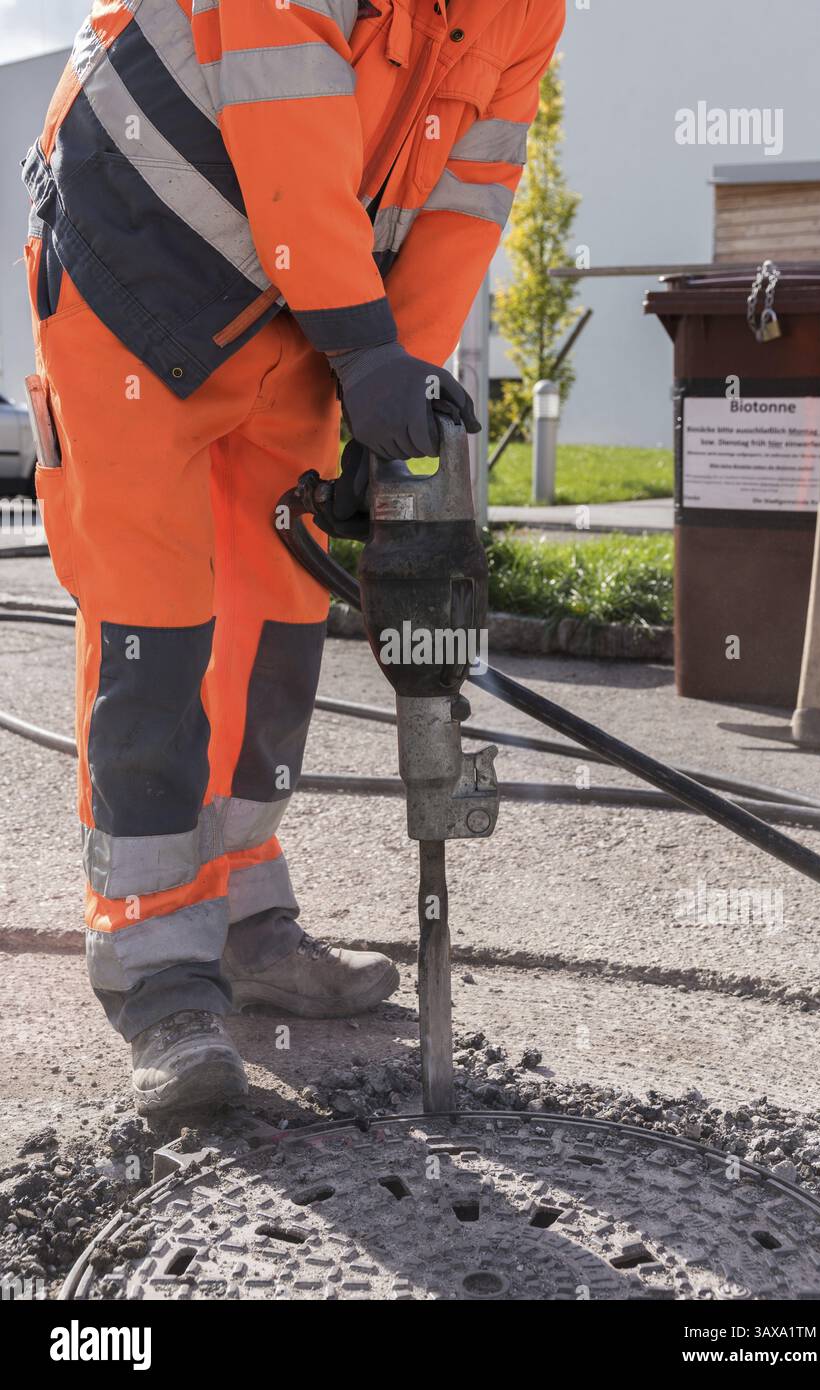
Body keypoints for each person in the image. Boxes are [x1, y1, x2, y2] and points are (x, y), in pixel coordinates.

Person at [21, 0, 566, 1114]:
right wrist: (362, 343)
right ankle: (160, 972)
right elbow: (285, 115)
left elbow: (464, 202)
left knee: (276, 615)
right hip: (136, 262)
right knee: (156, 615)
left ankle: (247, 922)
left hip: (301, 301)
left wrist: (394, 380)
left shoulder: (529, 12)